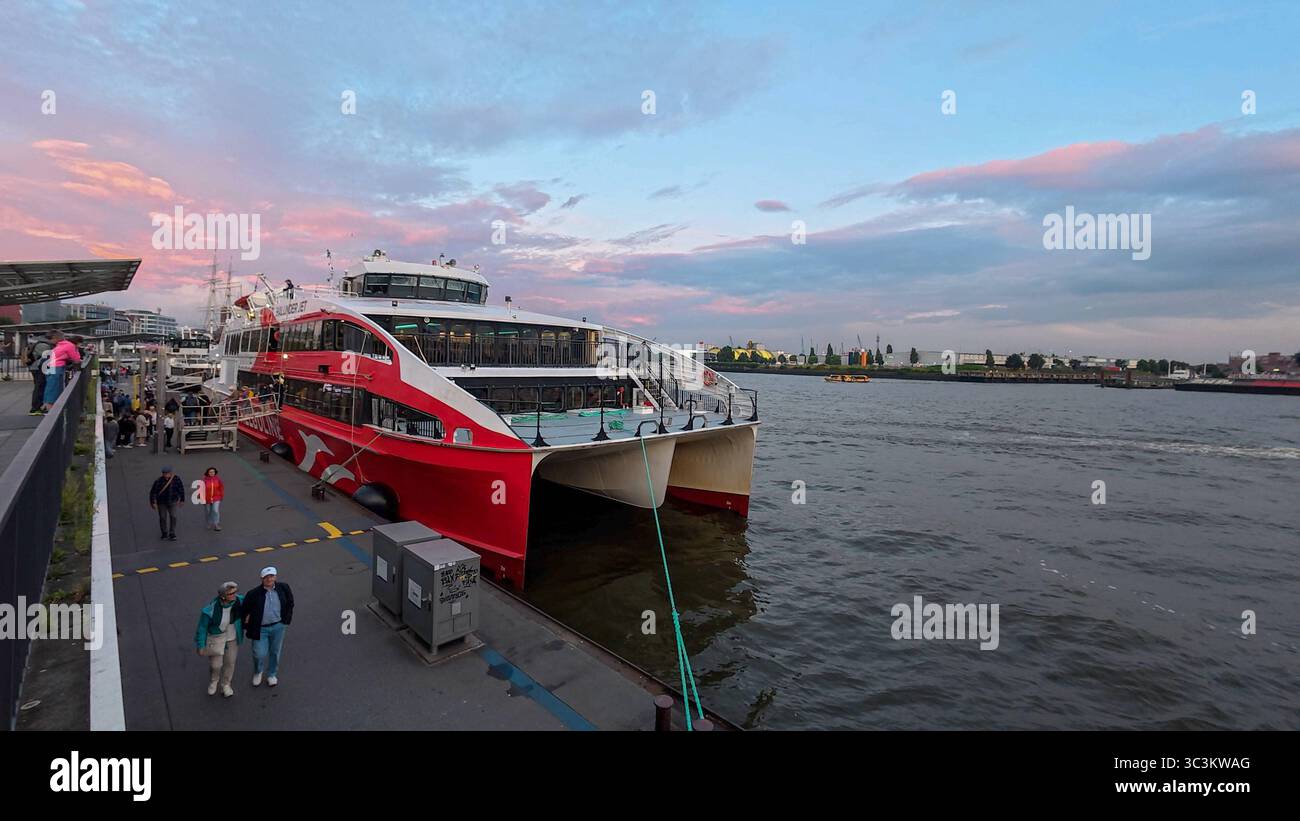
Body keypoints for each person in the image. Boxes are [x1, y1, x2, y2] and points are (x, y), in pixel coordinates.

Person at [242, 567, 293, 688]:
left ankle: (271, 674)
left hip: (278, 626)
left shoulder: (284, 587)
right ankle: (258, 672)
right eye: (266, 577)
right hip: (261, 629)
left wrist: (286, 620)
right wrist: (247, 625)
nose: (269, 579)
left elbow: (290, 603)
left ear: (275, 577)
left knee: (275, 652)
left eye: (271, 576)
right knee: (259, 653)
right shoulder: (253, 594)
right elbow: (244, 611)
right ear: (261, 579)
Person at [195, 581, 243, 697]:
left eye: (235, 592)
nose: (234, 595)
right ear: (222, 596)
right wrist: (200, 645)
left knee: (230, 663)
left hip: (232, 637)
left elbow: (252, 602)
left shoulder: (240, 601)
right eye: (230, 594)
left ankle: (226, 684)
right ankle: (214, 680)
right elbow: (202, 628)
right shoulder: (210, 610)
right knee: (215, 665)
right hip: (216, 638)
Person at [41, 330, 81, 411]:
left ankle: (46, 404)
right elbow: (76, 359)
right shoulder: (69, 345)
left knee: (50, 385)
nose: (50, 341)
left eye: (50, 339)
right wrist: (76, 350)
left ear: (56, 338)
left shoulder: (59, 345)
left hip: (49, 365)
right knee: (55, 386)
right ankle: (50, 407)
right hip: (56, 366)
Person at [149, 466, 184, 541]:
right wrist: (153, 502)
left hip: (173, 501)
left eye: (167, 473)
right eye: (164, 473)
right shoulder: (158, 481)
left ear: (171, 473)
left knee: (173, 516)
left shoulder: (176, 479)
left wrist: (182, 500)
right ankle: (164, 532)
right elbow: (153, 492)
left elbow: (181, 489)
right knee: (162, 517)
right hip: (162, 502)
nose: (166, 475)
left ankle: (172, 533)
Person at [25, 336, 51, 415]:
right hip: (38, 367)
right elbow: (46, 355)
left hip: (35, 367)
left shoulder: (39, 344)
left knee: (39, 386)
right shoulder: (43, 345)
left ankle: (38, 407)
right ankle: (36, 408)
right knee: (40, 387)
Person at [201, 466, 224, 531]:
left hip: (216, 498)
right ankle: (209, 522)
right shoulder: (204, 480)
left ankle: (216, 524)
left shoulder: (218, 479)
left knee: (215, 510)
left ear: (215, 472)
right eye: (210, 472)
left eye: (213, 472)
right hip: (207, 499)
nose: (212, 473)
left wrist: (221, 496)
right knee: (208, 511)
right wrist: (201, 498)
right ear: (208, 473)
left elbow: (221, 488)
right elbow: (201, 489)